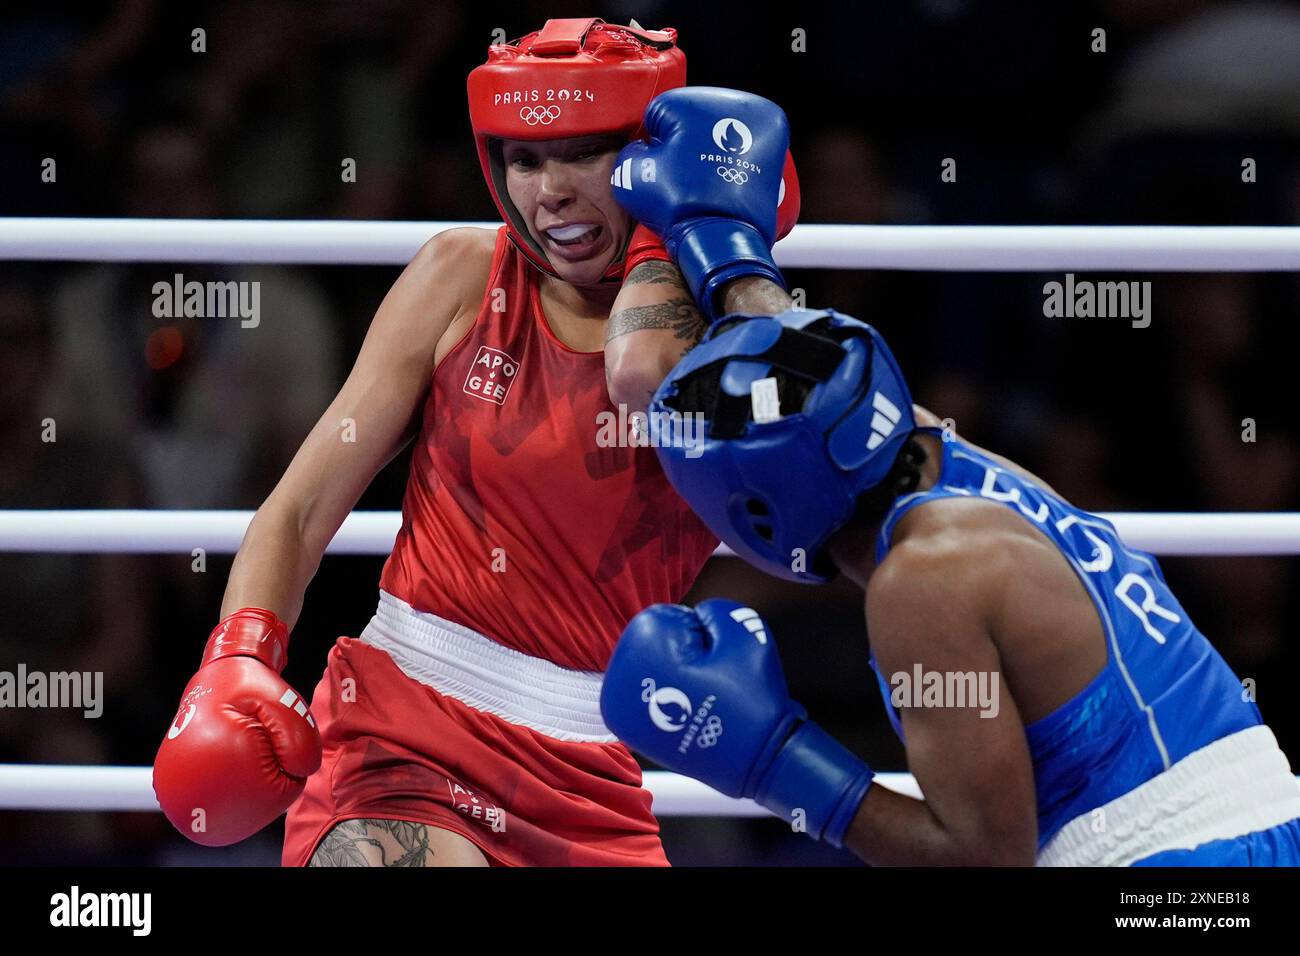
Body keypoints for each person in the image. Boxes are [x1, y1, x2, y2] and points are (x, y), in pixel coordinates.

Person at [597, 86, 1300, 866]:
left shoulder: (922, 584)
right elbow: (811, 375)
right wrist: (720, 244)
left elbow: (980, 862)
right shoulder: (945, 462)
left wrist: (775, 763)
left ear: (756, 517)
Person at [151, 18, 786, 867]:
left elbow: (645, 373)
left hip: (593, 770)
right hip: (405, 730)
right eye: (524, 158)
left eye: (583, 152)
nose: (548, 190)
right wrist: (237, 654)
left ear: (652, 159)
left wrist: (692, 248)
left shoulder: (726, 328)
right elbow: (300, 508)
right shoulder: (459, 274)